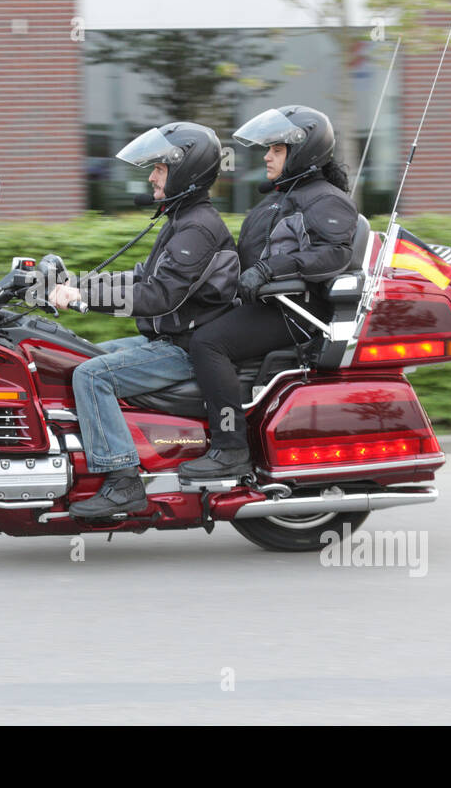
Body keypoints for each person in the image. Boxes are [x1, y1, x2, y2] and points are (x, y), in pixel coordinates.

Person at [49, 122, 239, 518]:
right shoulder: (181, 221)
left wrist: (84, 298)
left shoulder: (198, 228)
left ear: (185, 172)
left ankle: (122, 481)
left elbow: (158, 296)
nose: (152, 176)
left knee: (92, 375)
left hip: (182, 349)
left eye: (160, 169)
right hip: (165, 341)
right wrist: (74, 282)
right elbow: (140, 277)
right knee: (72, 357)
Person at [177, 105, 359, 484]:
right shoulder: (285, 196)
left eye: (276, 149)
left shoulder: (323, 198)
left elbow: (333, 253)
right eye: (268, 149)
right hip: (270, 304)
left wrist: (268, 270)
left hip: (295, 312)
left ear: (302, 152)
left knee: (209, 343)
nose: (266, 156)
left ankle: (230, 449)